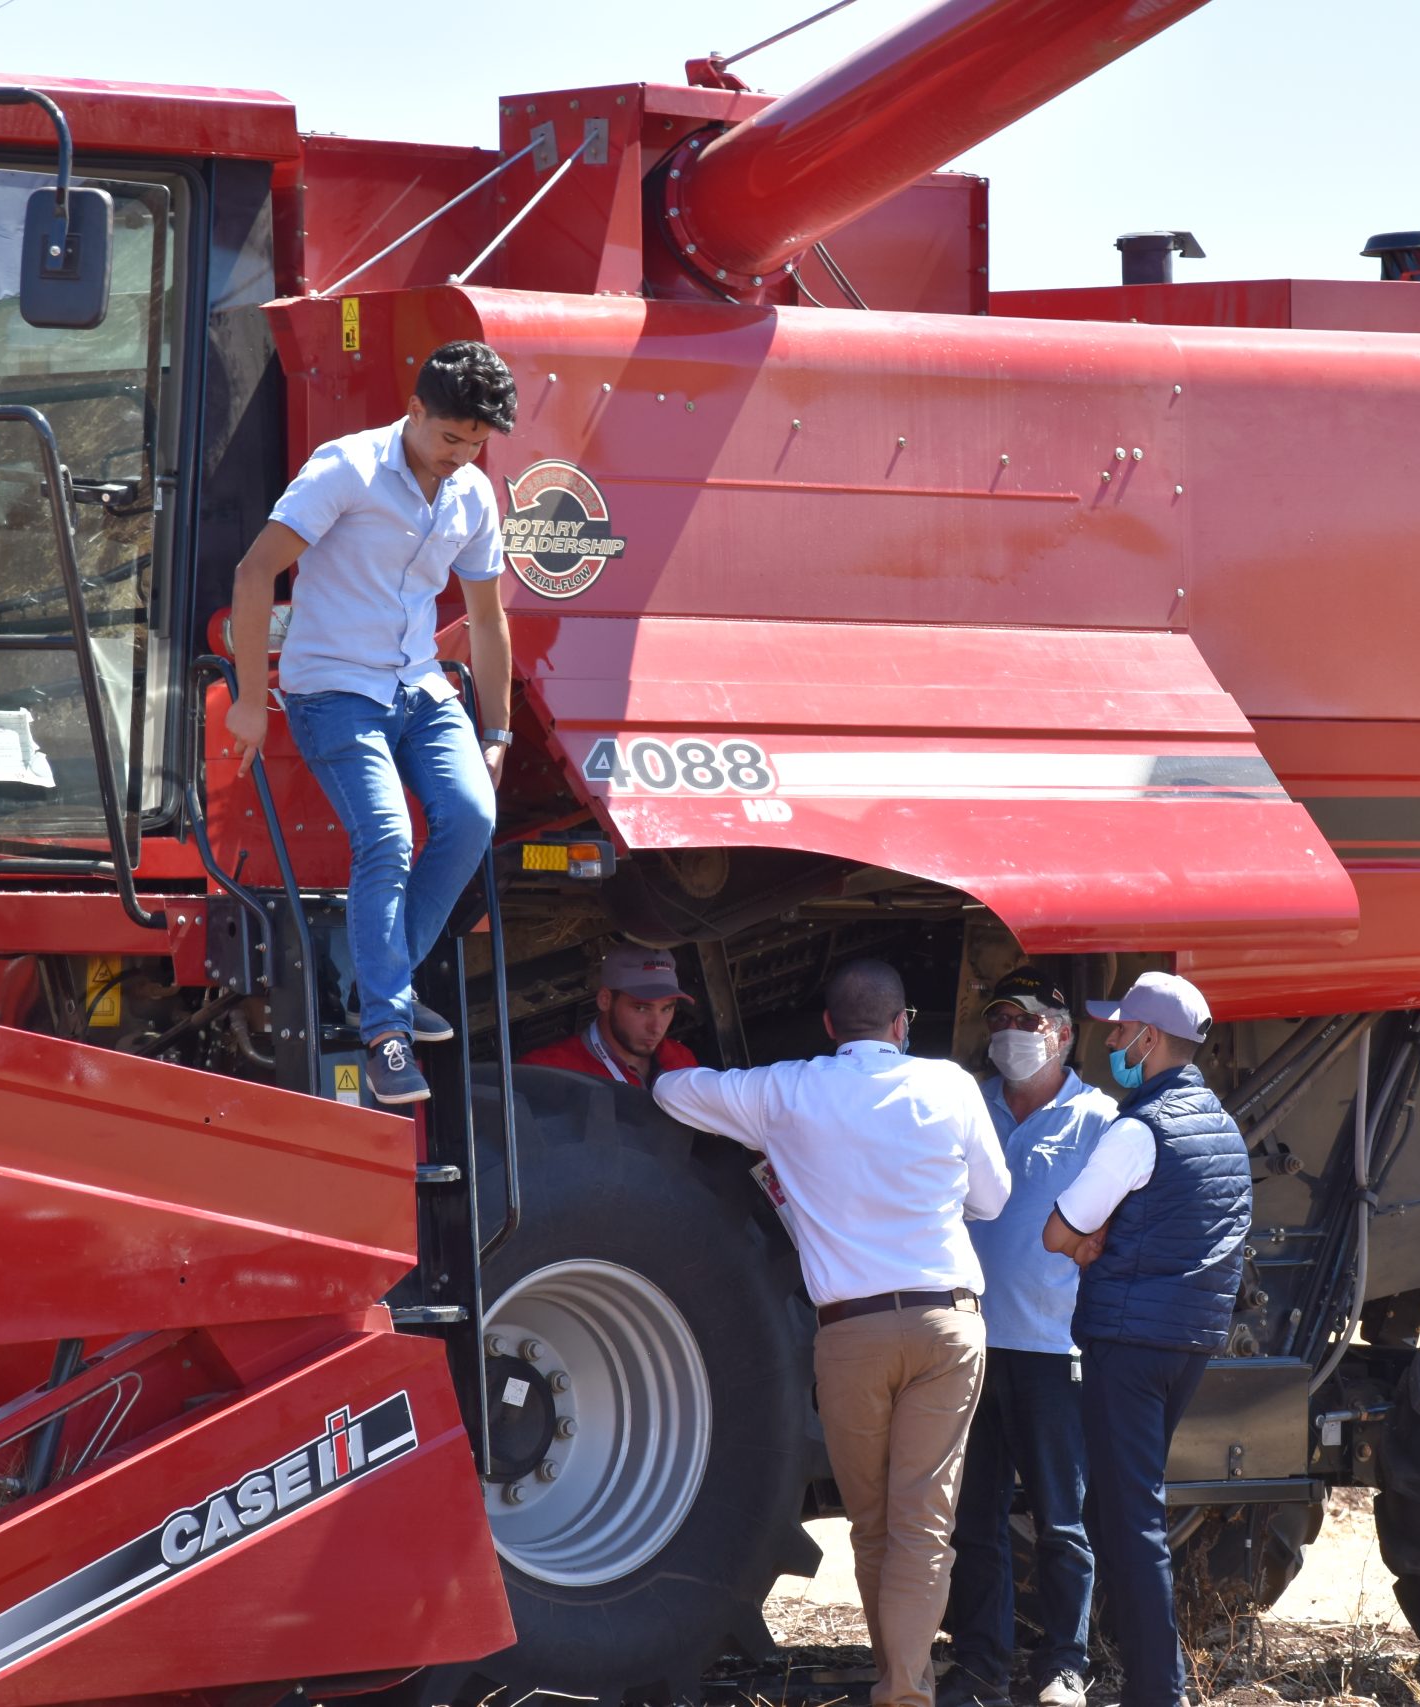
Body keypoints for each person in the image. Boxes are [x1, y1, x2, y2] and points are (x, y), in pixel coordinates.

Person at [654, 958, 1011, 1707]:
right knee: (925, 1522)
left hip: (850, 1333)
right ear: (901, 1023)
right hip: (947, 1323)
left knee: (874, 1523)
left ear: (827, 1026)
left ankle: (897, 1681)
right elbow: (993, 1197)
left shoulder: (789, 1090)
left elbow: (674, 1093)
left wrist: (662, 1047)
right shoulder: (948, 1084)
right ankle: (902, 1689)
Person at [225, 341, 518, 1106]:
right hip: (333, 690)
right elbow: (255, 572)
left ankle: (380, 982)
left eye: (476, 443)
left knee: (472, 815)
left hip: (418, 687)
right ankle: (386, 1032)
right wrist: (252, 699)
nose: (461, 455)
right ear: (414, 409)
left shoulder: (473, 497)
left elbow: (487, 622)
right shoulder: (346, 468)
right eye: (450, 436)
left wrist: (499, 732)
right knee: (387, 835)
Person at [1041, 971, 1252, 1707]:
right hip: (1189, 1340)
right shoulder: (1222, 1126)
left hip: (1127, 1341)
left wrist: (1089, 1239)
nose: (1110, 1039)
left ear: (1150, 1038)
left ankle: (1158, 1691)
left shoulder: (1137, 1128)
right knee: (1132, 1509)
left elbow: (1058, 1228)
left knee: (1131, 1520)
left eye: (1119, 1028)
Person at [942, 968, 1115, 1707]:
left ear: (1066, 1033)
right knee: (973, 1517)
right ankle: (980, 1660)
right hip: (970, 1343)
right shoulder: (970, 1105)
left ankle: (1063, 1663)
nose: (1011, 1030)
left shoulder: (1098, 1120)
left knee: (1061, 1521)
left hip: (1054, 1350)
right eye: (999, 1017)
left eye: (1030, 1018)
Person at [520, 948, 700, 1086]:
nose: (657, 1028)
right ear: (605, 1000)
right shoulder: (549, 1070)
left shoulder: (682, 1060)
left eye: (666, 1009)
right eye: (642, 1008)